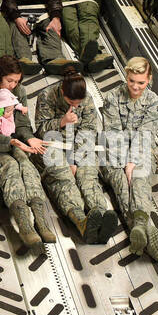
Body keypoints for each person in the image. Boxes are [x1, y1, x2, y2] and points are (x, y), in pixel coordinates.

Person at [0, 56, 54, 249]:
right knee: (11, 167)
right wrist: (11, 141)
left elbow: (22, 123)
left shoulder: (19, 91)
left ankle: (41, 220)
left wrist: (28, 137)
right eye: (10, 81)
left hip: (13, 143)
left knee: (26, 164)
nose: (13, 85)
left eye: (17, 81)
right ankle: (24, 225)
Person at [33, 71, 118, 243]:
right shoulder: (46, 96)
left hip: (79, 147)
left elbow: (88, 130)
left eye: (79, 103)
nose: (76, 106)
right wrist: (62, 122)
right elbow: (42, 130)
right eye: (72, 102)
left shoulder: (85, 99)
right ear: (63, 93)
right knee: (63, 178)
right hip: (53, 145)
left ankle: (100, 216)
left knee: (88, 176)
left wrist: (75, 159)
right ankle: (80, 220)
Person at [99, 56, 158, 261]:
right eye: (131, 81)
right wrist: (124, 165)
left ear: (149, 79)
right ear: (126, 77)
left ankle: (138, 226)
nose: (135, 87)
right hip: (114, 154)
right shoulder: (112, 97)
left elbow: (146, 135)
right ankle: (144, 227)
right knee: (122, 184)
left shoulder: (153, 102)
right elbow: (113, 134)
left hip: (141, 152)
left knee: (139, 178)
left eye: (141, 83)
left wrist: (133, 163)